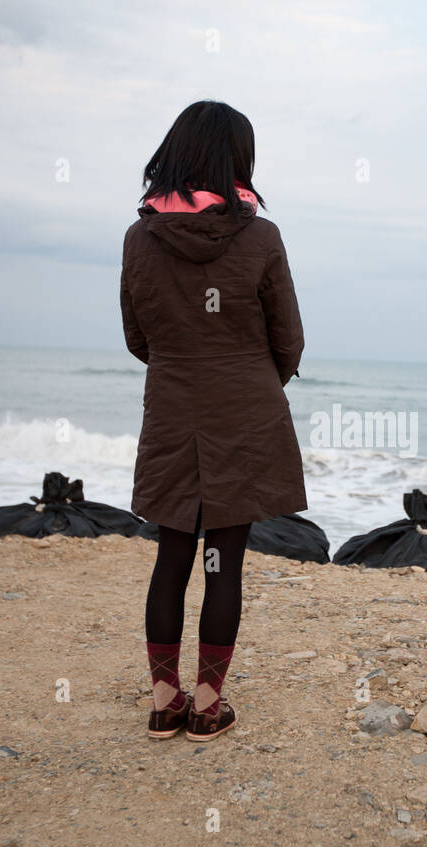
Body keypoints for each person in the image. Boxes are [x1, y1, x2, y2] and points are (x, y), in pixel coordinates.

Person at [120, 100, 306, 742]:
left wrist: (182, 369)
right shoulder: (261, 237)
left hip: (171, 405)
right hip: (244, 408)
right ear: (237, 159)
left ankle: (164, 702)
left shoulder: (139, 237)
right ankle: (206, 706)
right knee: (225, 558)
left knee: (172, 555)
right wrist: (250, 378)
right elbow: (289, 339)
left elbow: (136, 336)